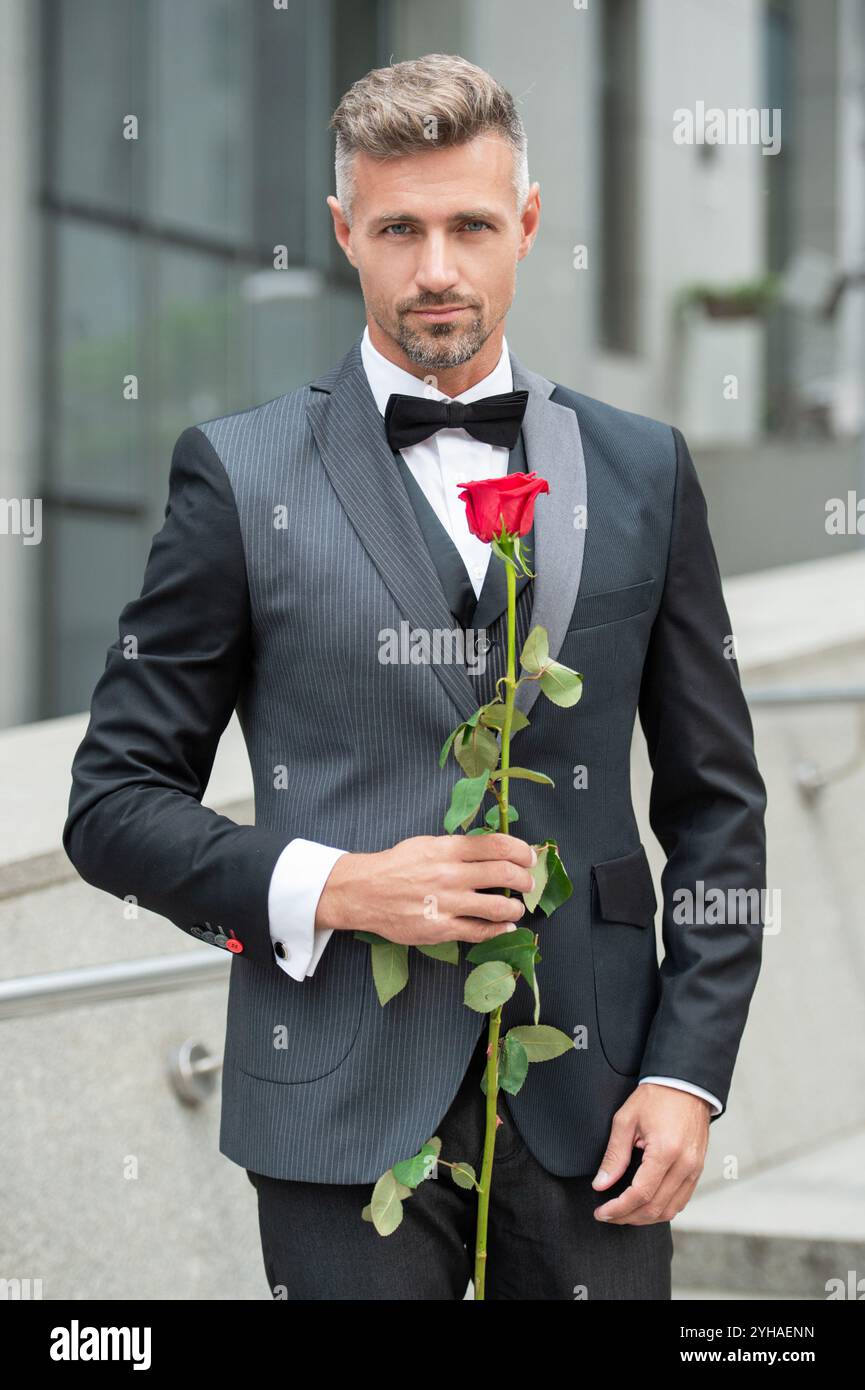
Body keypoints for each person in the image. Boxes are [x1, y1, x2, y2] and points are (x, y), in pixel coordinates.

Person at [63, 53, 767, 1300]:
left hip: (599, 1110)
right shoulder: (237, 476)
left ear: (528, 226)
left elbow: (716, 802)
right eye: (399, 228)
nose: (436, 267)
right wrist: (335, 886)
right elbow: (112, 800)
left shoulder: (645, 467)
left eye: (469, 226)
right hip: (336, 1115)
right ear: (345, 233)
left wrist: (687, 1069)